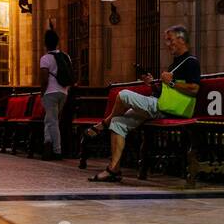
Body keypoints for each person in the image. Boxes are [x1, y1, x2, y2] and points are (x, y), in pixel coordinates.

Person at [83, 25, 200, 183]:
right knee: (118, 123)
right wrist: (152, 84)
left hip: (167, 109)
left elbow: (194, 88)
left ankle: (103, 124)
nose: (167, 44)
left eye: (170, 40)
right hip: (159, 105)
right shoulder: (174, 64)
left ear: (181, 39)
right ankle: (113, 170)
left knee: (123, 95)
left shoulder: (191, 62)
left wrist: (171, 82)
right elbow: (165, 93)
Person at [40, 29, 70, 161]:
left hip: (50, 92)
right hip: (63, 92)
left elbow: (44, 79)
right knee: (49, 119)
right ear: (57, 43)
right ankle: (47, 145)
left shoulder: (45, 58)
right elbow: (70, 75)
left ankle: (57, 150)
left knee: (52, 121)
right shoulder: (66, 57)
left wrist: (42, 93)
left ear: (45, 44)